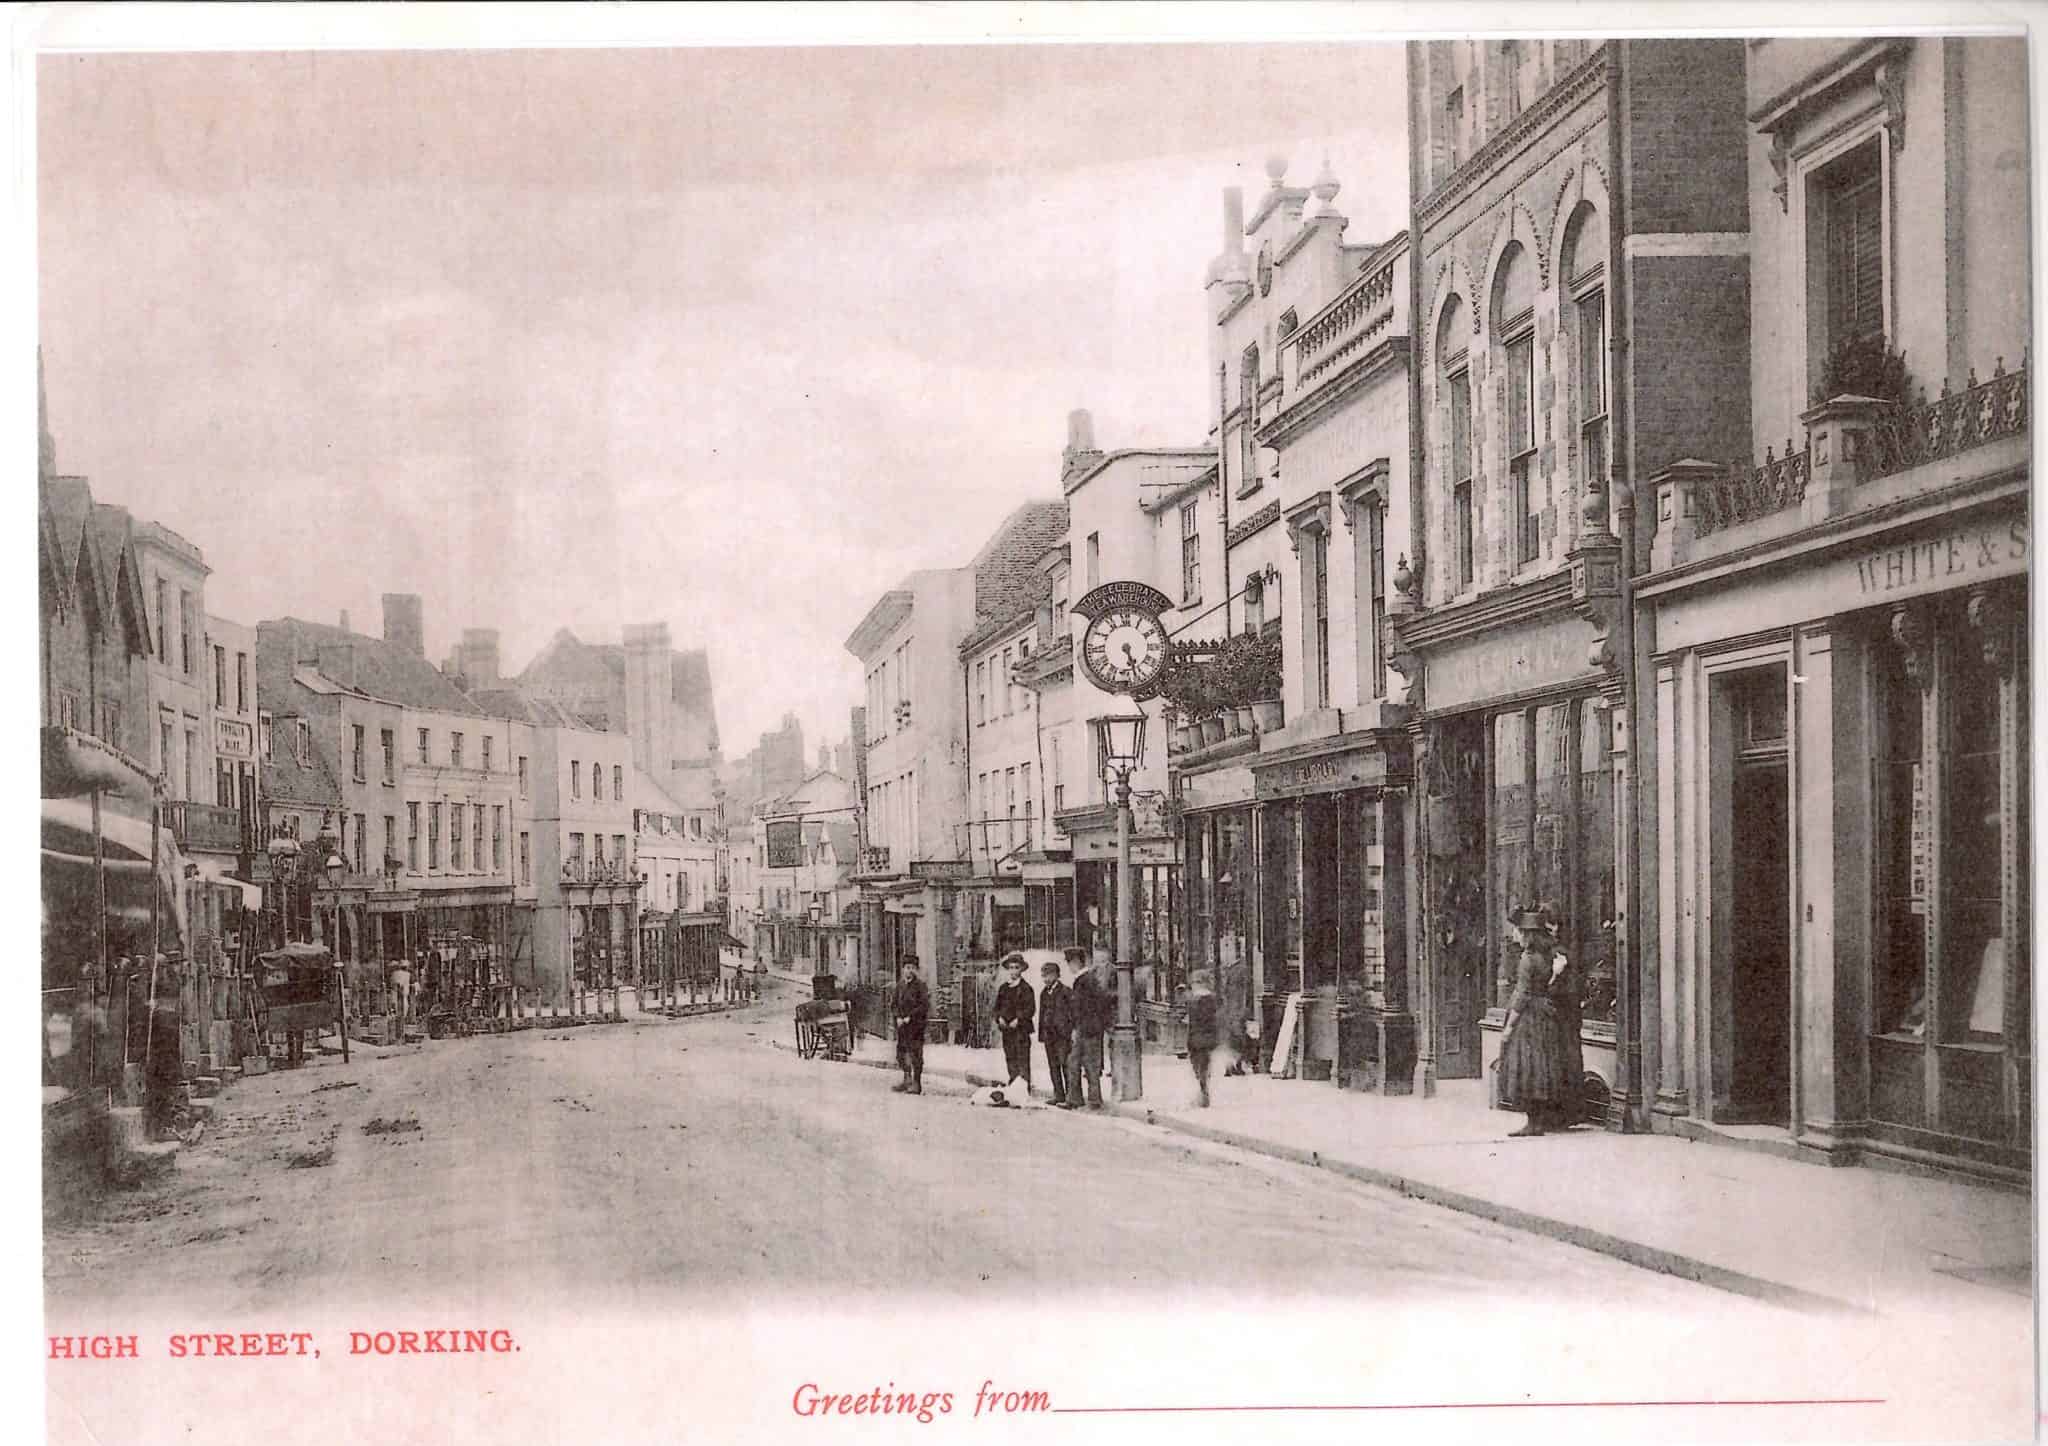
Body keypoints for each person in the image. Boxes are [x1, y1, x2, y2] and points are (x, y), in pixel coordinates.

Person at [1496, 904, 1572, 1137]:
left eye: (1518, 931)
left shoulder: (1528, 959)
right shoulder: (1545, 956)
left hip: (1529, 1018)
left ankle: (1532, 1122)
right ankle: (1539, 1120)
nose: (1515, 935)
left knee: (1526, 1066)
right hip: (1546, 1014)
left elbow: (1522, 995)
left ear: (1527, 934)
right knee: (1542, 1067)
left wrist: (1509, 1027)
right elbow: (1548, 984)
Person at [1549, 930, 1585, 1130]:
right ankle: (1568, 1113)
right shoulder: (1561, 952)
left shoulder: (1558, 954)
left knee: (1563, 1064)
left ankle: (1563, 1114)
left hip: (1562, 1019)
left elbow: (1565, 989)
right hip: (1566, 1019)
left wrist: (1553, 978)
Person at [1069, 947, 1113, 1109]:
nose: (1070, 967)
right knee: (1078, 1063)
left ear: (1076, 963)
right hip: (1086, 1027)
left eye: (1070, 963)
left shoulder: (1086, 980)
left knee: (1088, 1065)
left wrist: (1080, 1025)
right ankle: (1078, 1098)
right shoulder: (1086, 979)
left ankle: (1091, 1099)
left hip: (1087, 1028)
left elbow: (1090, 1005)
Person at [992, 954, 1036, 1092]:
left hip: (1021, 1031)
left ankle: (1023, 1088)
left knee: (1022, 1059)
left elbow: (1030, 1009)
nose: (1013, 971)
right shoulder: (1003, 988)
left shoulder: (1026, 988)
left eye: (1016, 967)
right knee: (1010, 1057)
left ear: (1021, 969)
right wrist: (999, 1018)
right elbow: (996, 1008)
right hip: (1007, 1030)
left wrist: (1019, 1019)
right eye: (1011, 968)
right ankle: (1013, 1085)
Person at [1037, 958, 1076, 1107]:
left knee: (1065, 1065)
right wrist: (1041, 1034)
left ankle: (1069, 1096)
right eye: (1043, 976)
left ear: (1056, 975)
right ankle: (1058, 1095)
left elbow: (1073, 1013)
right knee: (1053, 1066)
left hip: (1062, 1036)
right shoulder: (1043, 993)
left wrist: (1070, 1031)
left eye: (1048, 975)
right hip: (1049, 1036)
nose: (1045, 979)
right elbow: (1041, 1015)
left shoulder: (1066, 991)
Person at [892, 958, 929, 1095]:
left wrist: (910, 1017)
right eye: (907, 967)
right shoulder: (900, 986)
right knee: (901, 1053)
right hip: (902, 1026)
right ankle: (906, 1079)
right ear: (903, 969)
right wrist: (897, 1017)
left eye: (912, 967)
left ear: (915, 970)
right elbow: (894, 1004)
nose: (909, 970)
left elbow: (923, 1006)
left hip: (916, 1026)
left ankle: (916, 1083)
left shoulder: (920, 986)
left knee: (915, 1054)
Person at [1184, 972, 1220, 1108]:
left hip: (1197, 1038)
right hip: (1208, 1037)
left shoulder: (1195, 1001)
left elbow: (1194, 1022)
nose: (1192, 985)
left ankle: (1203, 1095)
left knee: (1198, 1067)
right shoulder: (1211, 999)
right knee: (1204, 1065)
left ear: (1199, 983)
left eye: (1194, 983)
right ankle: (1203, 1093)